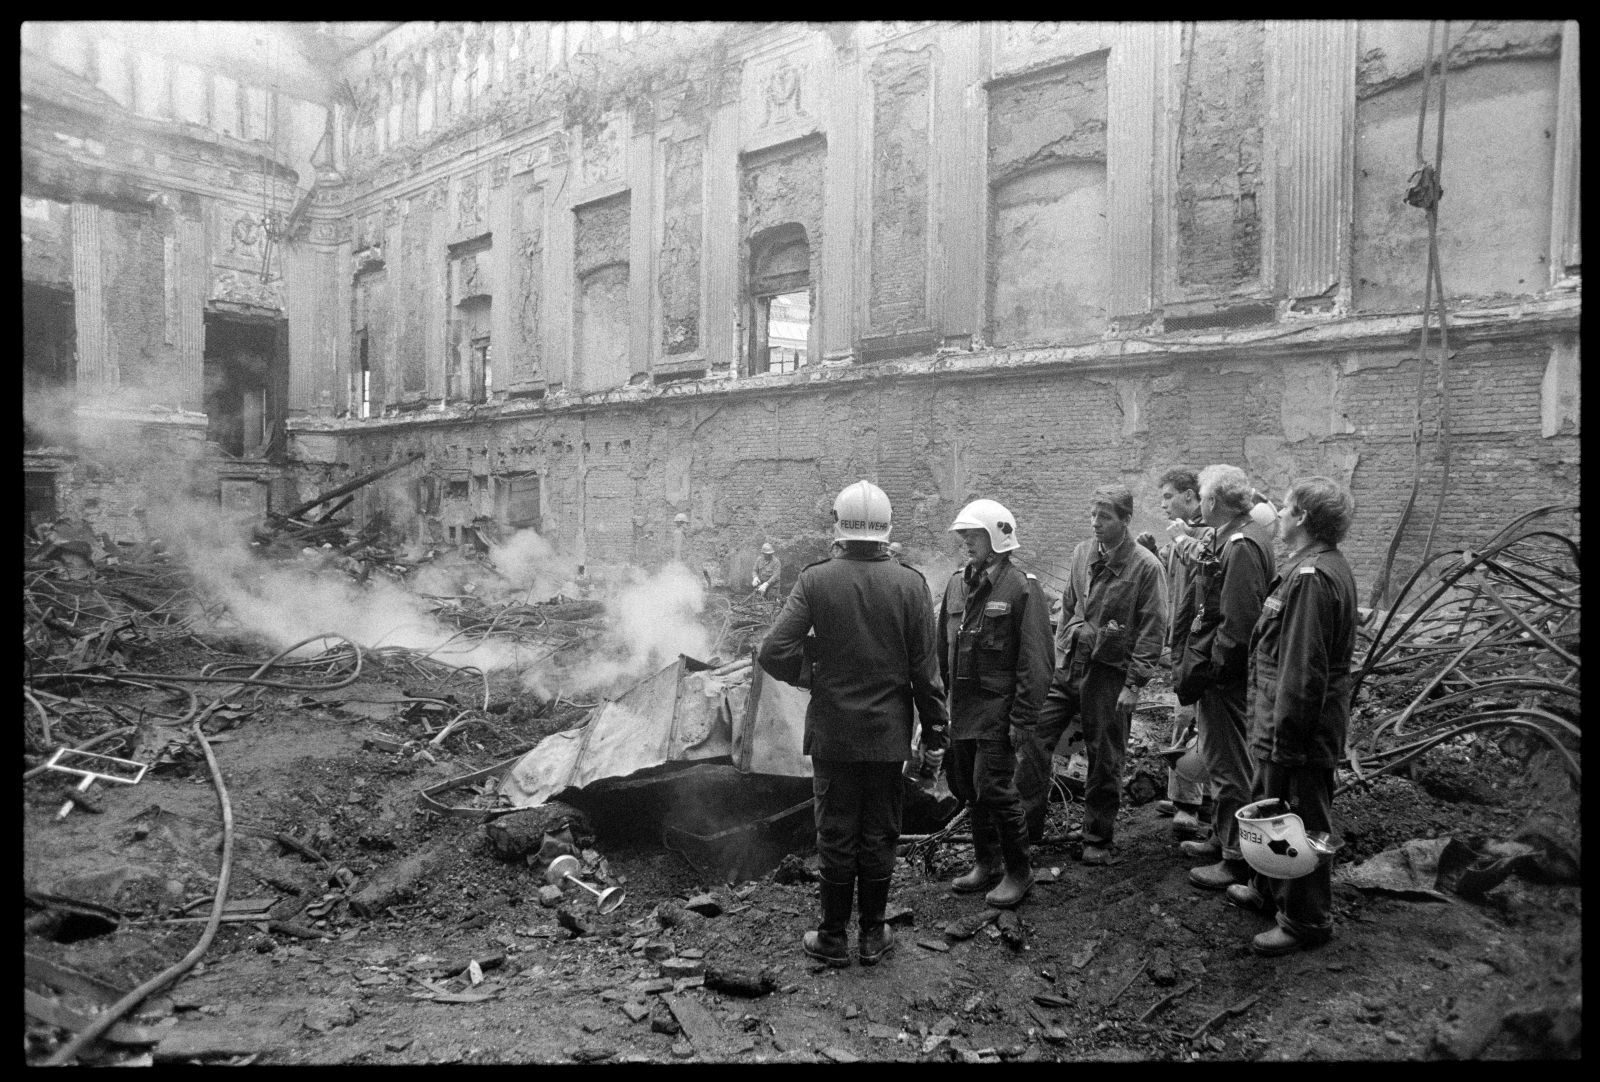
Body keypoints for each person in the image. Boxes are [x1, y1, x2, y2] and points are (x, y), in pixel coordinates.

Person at [757, 480, 948, 967]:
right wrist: (936, 735)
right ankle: (872, 936)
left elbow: (773, 651)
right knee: (880, 833)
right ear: (886, 531)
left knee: (836, 834)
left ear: (838, 527)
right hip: (888, 738)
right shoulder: (911, 584)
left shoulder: (815, 580)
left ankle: (832, 938)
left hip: (834, 734)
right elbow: (927, 675)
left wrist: (814, 676)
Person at [1227, 477, 1359, 956]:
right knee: (1272, 809)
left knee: (1299, 820)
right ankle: (1270, 891)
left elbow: (1303, 672)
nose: (1277, 515)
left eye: (1284, 509)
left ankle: (1306, 919)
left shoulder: (1312, 579)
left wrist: (1286, 740)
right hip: (1279, 722)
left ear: (1302, 517)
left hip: (1297, 730)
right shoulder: (1308, 568)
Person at [1016, 484, 1166, 865]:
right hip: (1068, 668)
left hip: (1109, 674)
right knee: (1033, 736)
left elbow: (1153, 629)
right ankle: (1026, 829)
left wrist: (1134, 683)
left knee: (1105, 755)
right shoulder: (1083, 552)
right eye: (1093, 515)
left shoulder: (1146, 567)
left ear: (1126, 520)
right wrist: (1060, 651)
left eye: (1105, 517)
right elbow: (1068, 606)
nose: (1095, 523)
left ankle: (1097, 837)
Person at [938, 499, 1052, 907]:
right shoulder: (956, 584)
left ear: (997, 539)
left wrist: (1023, 718)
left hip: (999, 711)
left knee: (996, 788)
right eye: (964, 535)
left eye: (973, 535)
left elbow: (1036, 661)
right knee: (970, 787)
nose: (966, 542)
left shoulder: (1022, 587)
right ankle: (986, 864)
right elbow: (942, 650)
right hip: (964, 710)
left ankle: (1019, 872)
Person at [1172, 464, 1275, 891]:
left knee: (1229, 762)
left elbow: (1239, 625)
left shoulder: (1243, 545)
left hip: (1225, 678)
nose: (1200, 503)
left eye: (1202, 496)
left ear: (1213, 501)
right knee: (1216, 758)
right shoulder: (1236, 536)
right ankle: (1220, 836)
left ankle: (1235, 857)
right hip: (1220, 674)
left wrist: (1211, 671)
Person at [1136, 468, 1213, 840]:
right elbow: (1168, 569)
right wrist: (1152, 551)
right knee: (1192, 717)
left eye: (1168, 496)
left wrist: (1181, 538)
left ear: (1189, 495)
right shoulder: (1182, 535)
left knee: (1189, 718)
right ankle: (1191, 793)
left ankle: (1188, 803)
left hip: (1201, 643)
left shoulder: (1206, 535)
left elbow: (1204, 565)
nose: (1163, 504)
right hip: (1184, 641)